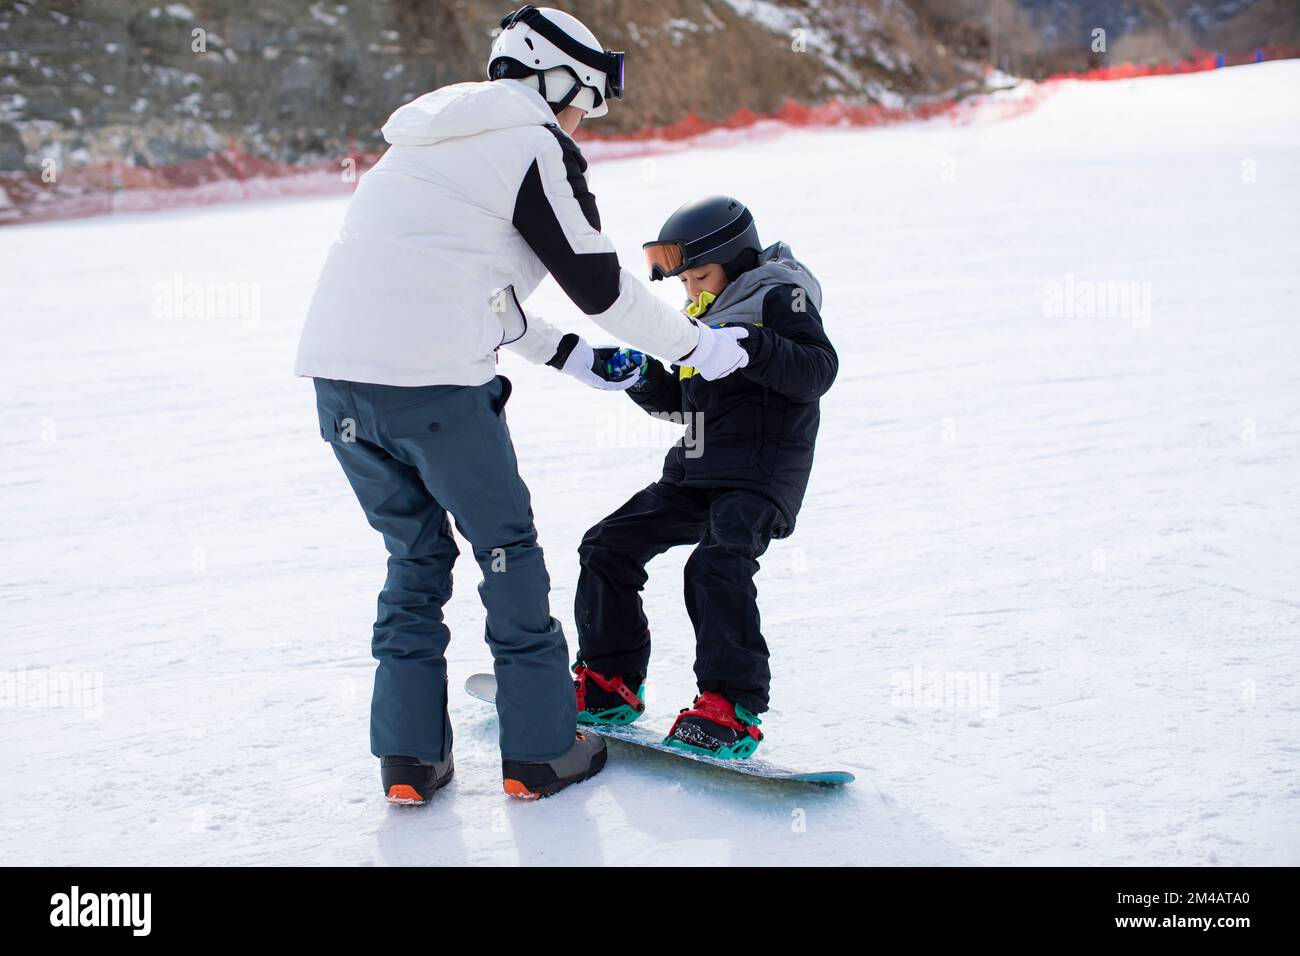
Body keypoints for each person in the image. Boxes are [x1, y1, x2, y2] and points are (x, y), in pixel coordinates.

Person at [293, 6, 750, 803]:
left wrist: (568, 358)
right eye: (586, 103)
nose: (584, 123)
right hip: (433, 390)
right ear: (555, 80)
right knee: (507, 552)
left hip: (338, 387)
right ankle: (540, 754)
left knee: (414, 558)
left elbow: (471, 291)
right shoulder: (535, 143)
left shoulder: (420, 147)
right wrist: (704, 349)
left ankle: (409, 761)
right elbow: (602, 287)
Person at [570, 196, 838, 758]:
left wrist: (750, 347)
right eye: (685, 283)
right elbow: (687, 408)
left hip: (760, 476)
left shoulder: (777, 296)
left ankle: (730, 707)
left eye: (700, 276)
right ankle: (610, 681)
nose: (691, 292)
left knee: (716, 565)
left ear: (737, 260)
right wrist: (642, 378)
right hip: (694, 472)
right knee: (606, 546)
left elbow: (818, 371)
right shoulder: (703, 322)